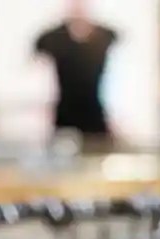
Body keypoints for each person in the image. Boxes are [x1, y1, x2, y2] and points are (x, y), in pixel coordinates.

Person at [33, 0, 118, 146]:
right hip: (65, 113)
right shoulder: (53, 39)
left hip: (95, 113)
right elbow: (36, 70)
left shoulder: (104, 36)